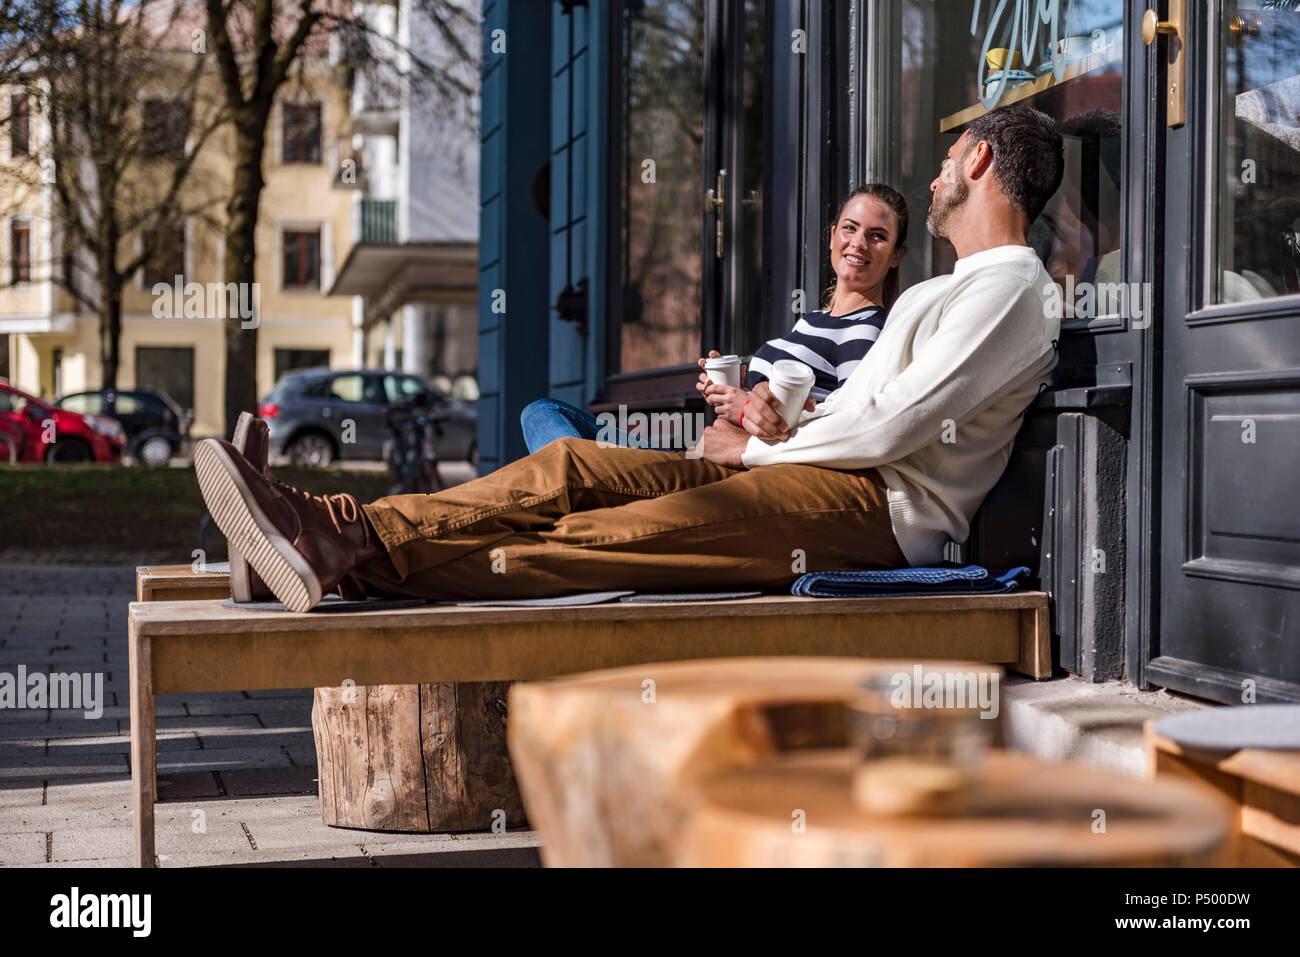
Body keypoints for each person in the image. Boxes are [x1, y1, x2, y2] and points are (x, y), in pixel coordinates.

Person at [193, 105, 1064, 613]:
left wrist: (756, 445)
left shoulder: (1010, 286)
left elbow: (898, 423)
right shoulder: (945, 290)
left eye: (952, 159)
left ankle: (331, 551)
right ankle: (333, 531)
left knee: (599, 538)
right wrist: (758, 429)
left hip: (875, 515)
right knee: (569, 458)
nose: (942, 172)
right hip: (817, 473)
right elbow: (857, 414)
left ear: (981, 158)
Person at [519, 184, 908, 453]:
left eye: (877, 236)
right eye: (849, 228)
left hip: (722, 469)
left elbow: (845, 424)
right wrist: (737, 384)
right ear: (831, 237)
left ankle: (582, 488)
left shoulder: (865, 331)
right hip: (708, 446)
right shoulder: (813, 320)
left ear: (895, 256)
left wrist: (743, 408)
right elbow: (786, 394)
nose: (857, 243)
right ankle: (583, 484)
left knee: (547, 418)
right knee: (547, 415)